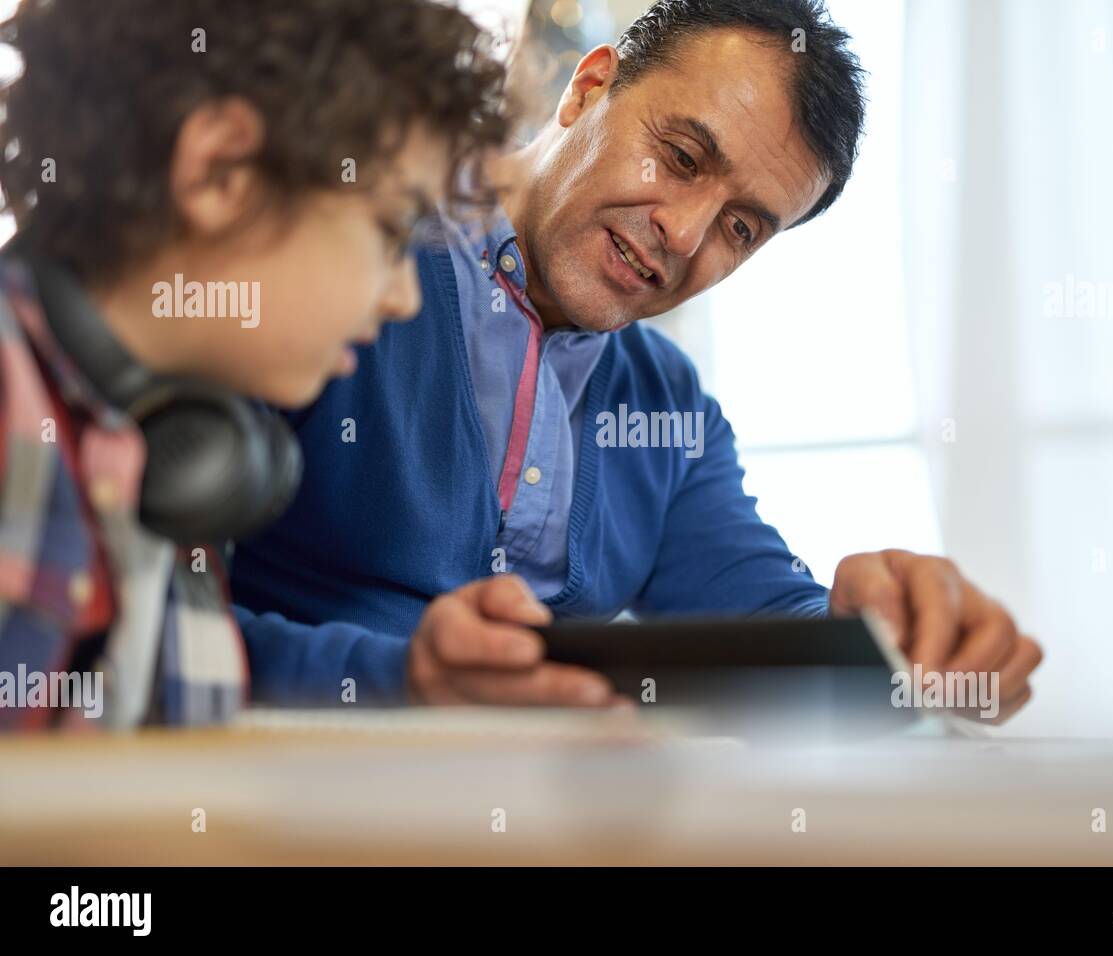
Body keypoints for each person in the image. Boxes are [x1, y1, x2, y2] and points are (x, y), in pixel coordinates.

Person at [231, 0, 1043, 718]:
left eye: (742, 229)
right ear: (588, 89)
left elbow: (762, 625)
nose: (686, 235)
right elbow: (152, 619)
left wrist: (892, 640)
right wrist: (397, 679)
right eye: (683, 159)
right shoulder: (346, 266)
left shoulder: (668, 406)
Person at [0, 0, 521, 729]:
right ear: (223, 172)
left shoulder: (171, 454)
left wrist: (410, 677)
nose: (405, 297)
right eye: (391, 231)